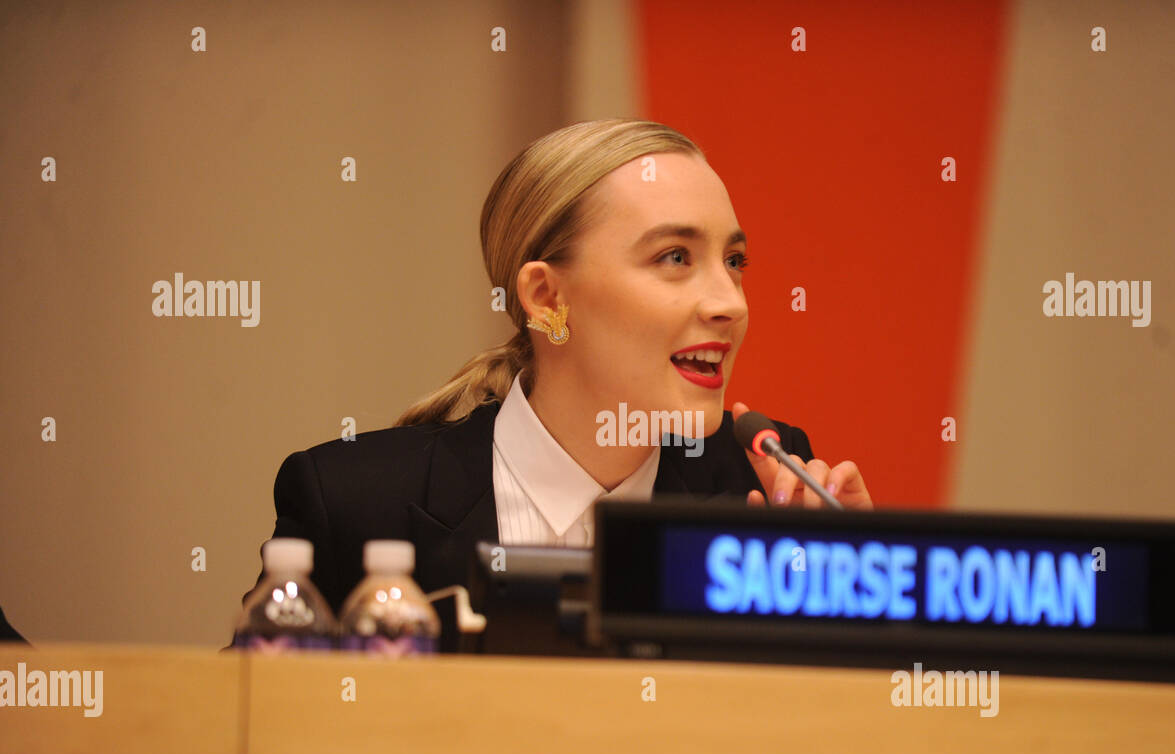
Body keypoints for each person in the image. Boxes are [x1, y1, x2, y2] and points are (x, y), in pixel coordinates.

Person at [237, 118, 872, 642]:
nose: (730, 302)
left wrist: (856, 592)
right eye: (675, 257)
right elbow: (244, 744)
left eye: (734, 261)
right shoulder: (355, 503)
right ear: (547, 299)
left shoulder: (768, 501)